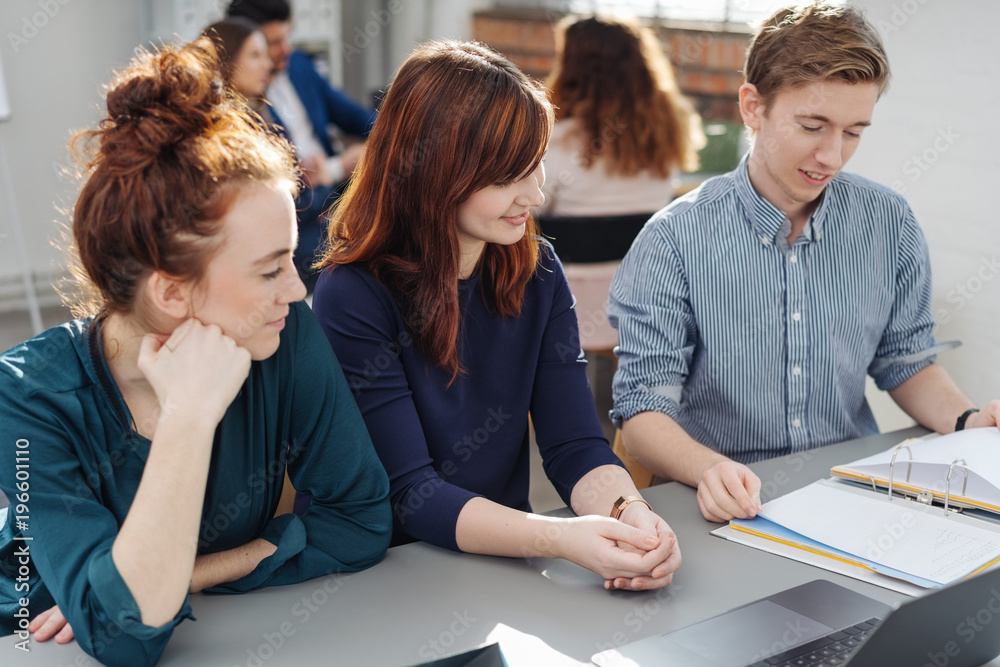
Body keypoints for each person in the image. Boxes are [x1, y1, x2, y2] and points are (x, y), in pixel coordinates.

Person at [0, 40, 391, 667]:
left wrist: (192, 573)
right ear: (173, 291)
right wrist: (187, 417)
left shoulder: (280, 331)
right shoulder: (25, 396)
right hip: (31, 637)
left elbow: (363, 521)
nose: (297, 289)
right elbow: (124, 636)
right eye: (269, 271)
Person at [608, 1, 1000, 524]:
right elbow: (642, 408)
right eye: (813, 126)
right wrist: (708, 469)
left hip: (853, 495)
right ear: (752, 106)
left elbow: (905, 360)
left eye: (854, 131)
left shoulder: (889, 221)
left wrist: (968, 419)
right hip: (723, 505)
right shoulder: (673, 240)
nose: (832, 157)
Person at [312, 40, 681, 592]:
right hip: (385, 578)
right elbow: (412, 494)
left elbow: (574, 444)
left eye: (536, 167)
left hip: (499, 565)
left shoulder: (539, 270)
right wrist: (560, 539)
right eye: (507, 176)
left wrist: (628, 513)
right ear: (435, 170)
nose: (533, 194)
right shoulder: (354, 293)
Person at [227, 0, 376, 290]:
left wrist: (397, 133)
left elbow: (353, 115)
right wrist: (338, 168)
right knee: (377, 236)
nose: (286, 50)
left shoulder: (299, 66)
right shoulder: (244, 113)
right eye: (272, 43)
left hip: (334, 192)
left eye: (286, 37)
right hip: (301, 218)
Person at [539, 15, 704, 217]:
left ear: (571, 69)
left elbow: (529, 213)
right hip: (646, 248)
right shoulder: (670, 133)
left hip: (564, 248)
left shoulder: (556, 138)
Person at [202, 16, 275, 122]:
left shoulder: (260, 111)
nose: (268, 65)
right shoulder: (212, 126)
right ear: (224, 61)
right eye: (255, 55)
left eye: (266, 55)